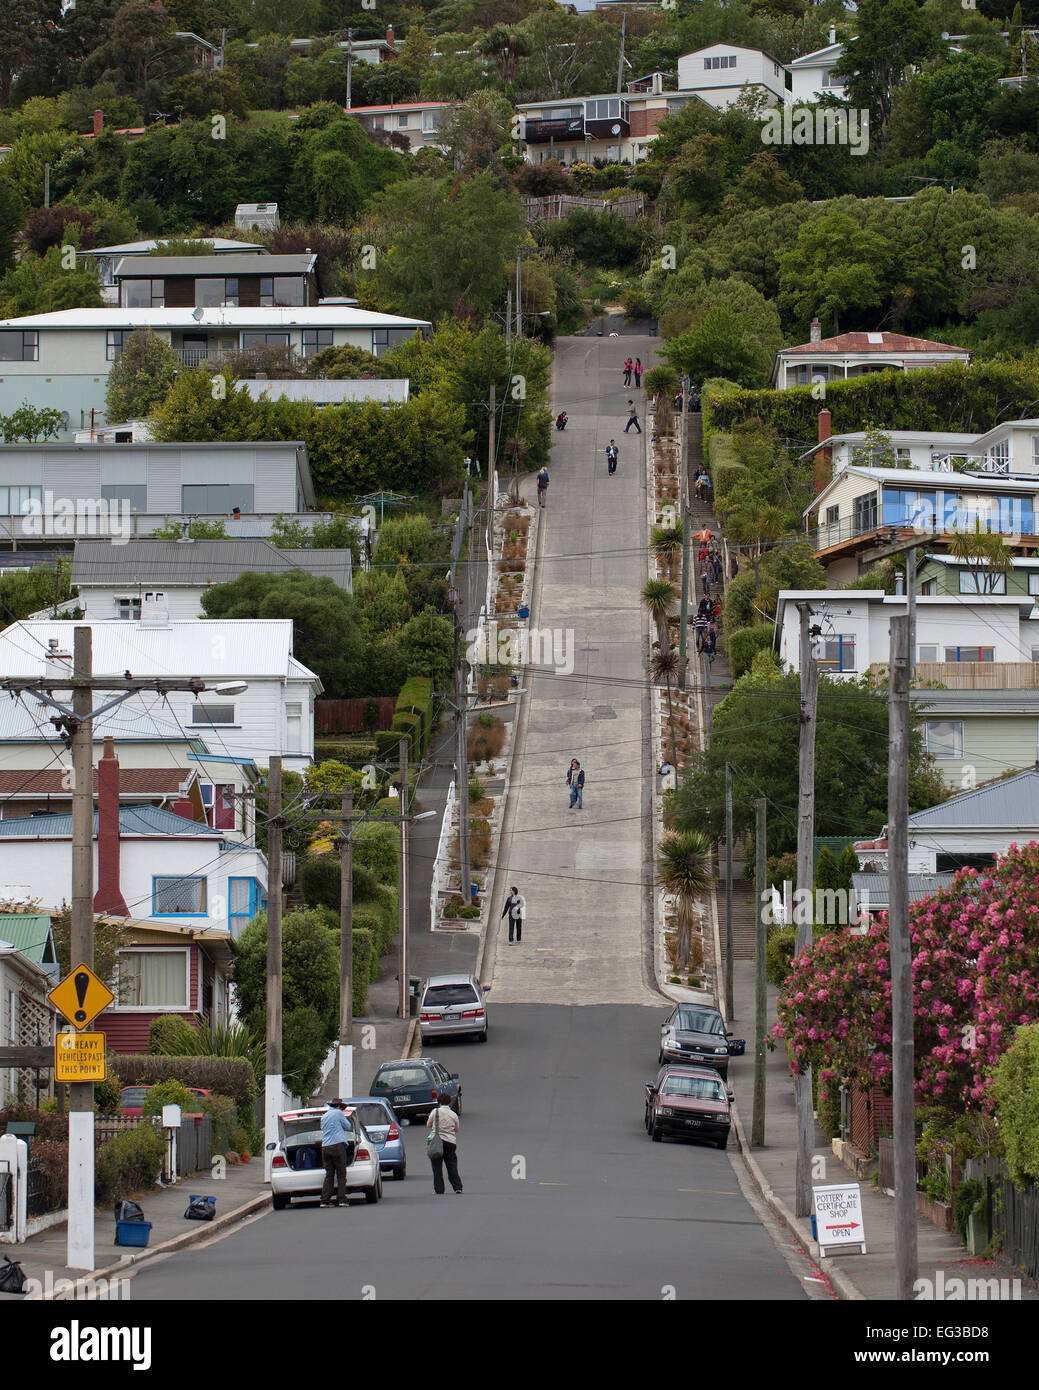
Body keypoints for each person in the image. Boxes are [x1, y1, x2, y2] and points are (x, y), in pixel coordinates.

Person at [319, 1098, 354, 1208]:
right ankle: (342, 1199)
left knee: (329, 1175)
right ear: (339, 1106)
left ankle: (324, 1200)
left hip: (325, 1147)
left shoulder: (324, 1116)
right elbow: (348, 1126)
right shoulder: (338, 1113)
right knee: (341, 1174)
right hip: (337, 1146)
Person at [426, 1096, 462, 1195]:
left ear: (439, 1102)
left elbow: (428, 1124)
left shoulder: (435, 1111)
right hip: (450, 1141)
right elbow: (456, 1129)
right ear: (449, 1103)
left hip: (436, 1141)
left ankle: (439, 1189)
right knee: (451, 1165)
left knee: (437, 1167)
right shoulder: (453, 1114)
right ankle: (457, 1187)